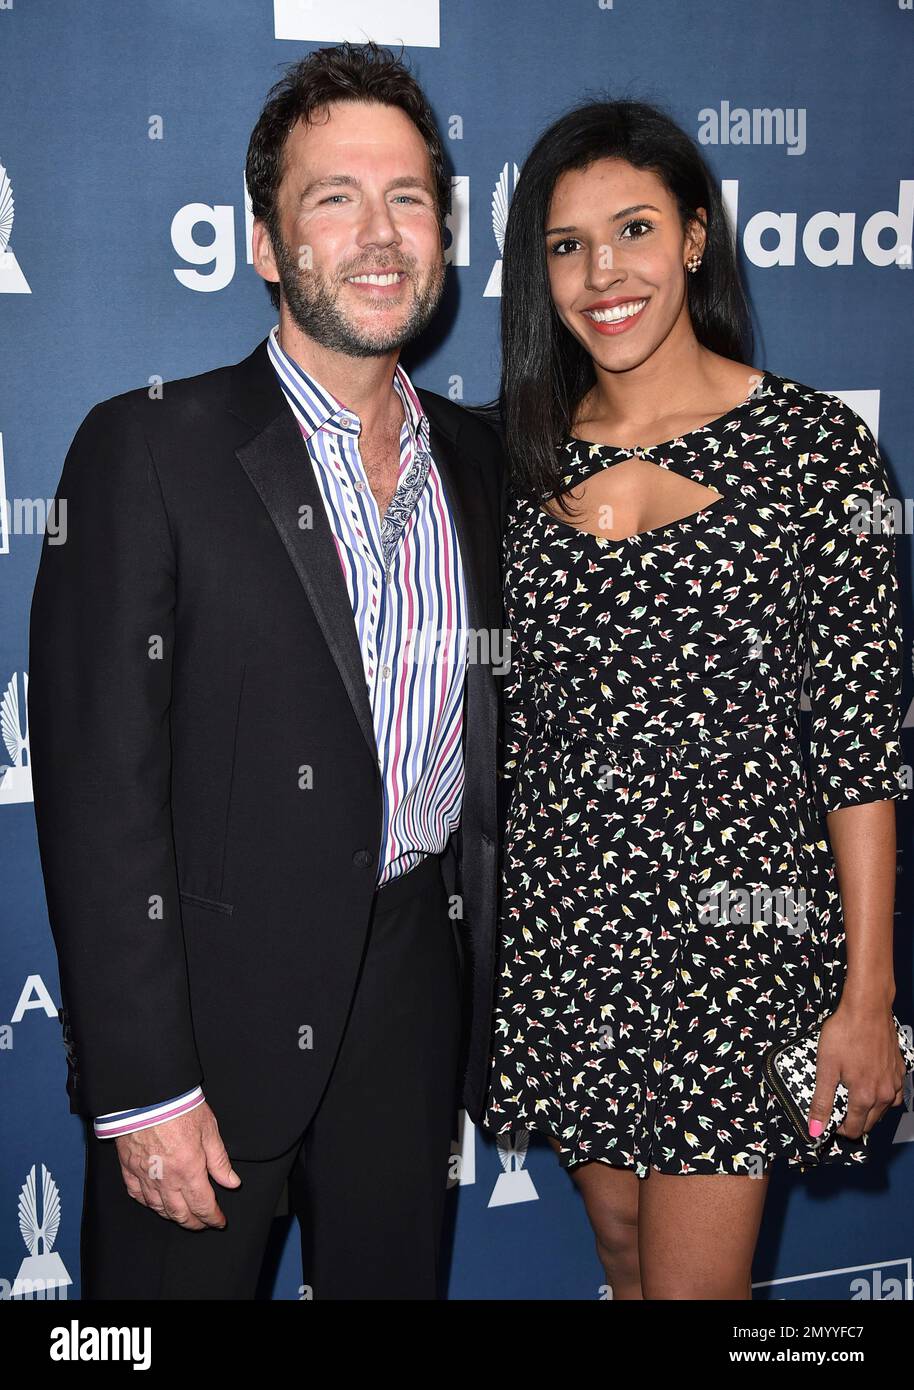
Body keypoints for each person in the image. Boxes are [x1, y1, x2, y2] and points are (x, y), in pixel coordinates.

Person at [29, 42, 503, 1301]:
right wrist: (141, 1084)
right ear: (262, 242)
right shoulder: (148, 446)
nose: (379, 232)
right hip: (207, 1019)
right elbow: (95, 794)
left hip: (413, 991)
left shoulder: (483, 459)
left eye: (407, 196)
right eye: (331, 198)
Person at [482, 98, 907, 1300]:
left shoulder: (816, 450)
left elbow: (858, 738)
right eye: (565, 245)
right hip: (568, 933)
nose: (600, 272)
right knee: (618, 1243)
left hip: (743, 939)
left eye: (630, 230)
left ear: (693, 238)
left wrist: (865, 994)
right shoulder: (517, 458)